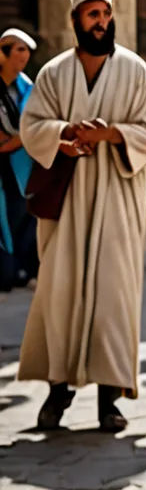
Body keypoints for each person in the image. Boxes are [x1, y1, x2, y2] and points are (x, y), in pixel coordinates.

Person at [18, 0, 146, 432]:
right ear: (75, 22)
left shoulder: (137, 72)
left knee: (113, 296)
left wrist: (112, 135)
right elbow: (32, 127)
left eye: (104, 13)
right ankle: (56, 393)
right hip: (66, 204)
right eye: (90, 15)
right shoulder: (54, 74)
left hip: (117, 203)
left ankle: (109, 401)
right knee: (59, 294)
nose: (100, 21)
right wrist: (65, 132)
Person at [0, 28, 38, 293]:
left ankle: (20, 271)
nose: (24, 55)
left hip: (22, 165)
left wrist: (16, 140)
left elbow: (33, 126)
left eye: (26, 50)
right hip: (3, 165)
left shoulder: (29, 88)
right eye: (18, 49)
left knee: (23, 217)